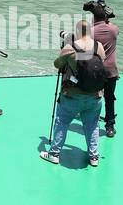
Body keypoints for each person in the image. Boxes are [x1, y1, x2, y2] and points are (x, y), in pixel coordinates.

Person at [41, 21, 108, 167]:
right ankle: (94, 157)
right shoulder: (99, 46)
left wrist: (64, 50)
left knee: (62, 122)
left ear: (77, 32)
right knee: (92, 125)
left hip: (72, 95)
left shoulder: (70, 48)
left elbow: (57, 64)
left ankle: (54, 154)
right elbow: (99, 65)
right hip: (95, 95)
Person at [89, 2, 120, 137]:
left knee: (91, 96)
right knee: (109, 98)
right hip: (110, 71)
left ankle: (90, 121)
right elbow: (111, 25)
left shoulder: (90, 32)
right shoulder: (113, 30)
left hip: (95, 71)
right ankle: (110, 126)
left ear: (93, 18)